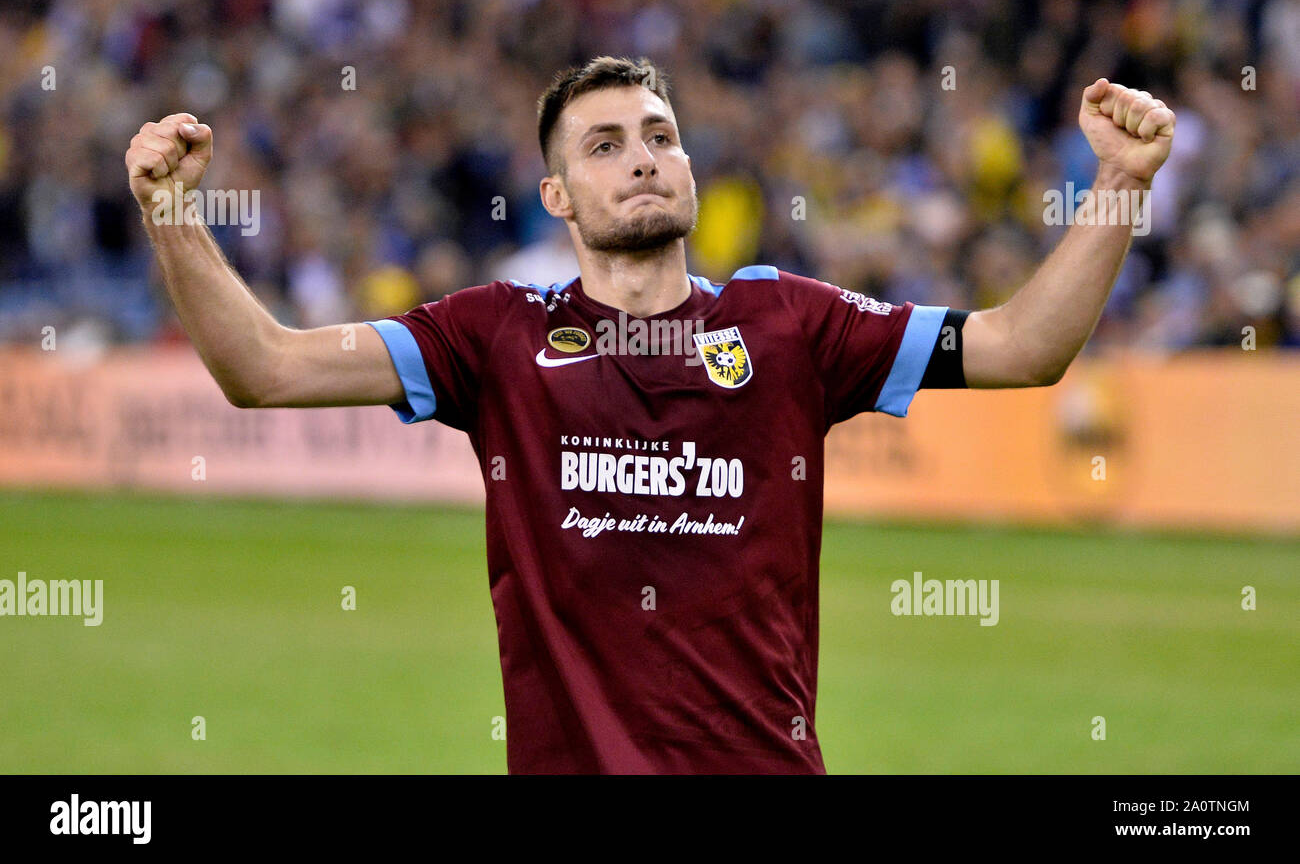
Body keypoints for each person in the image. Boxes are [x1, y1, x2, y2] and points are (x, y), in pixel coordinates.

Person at [124, 55, 1175, 773]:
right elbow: (263, 367)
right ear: (557, 197)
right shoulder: (492, 336)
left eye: (661, 135)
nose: (641, 155)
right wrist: (174, 215)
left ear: (687, 167)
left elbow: (1023, 347)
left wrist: (1119, 182)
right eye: (604, 143)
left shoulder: (787, 320)